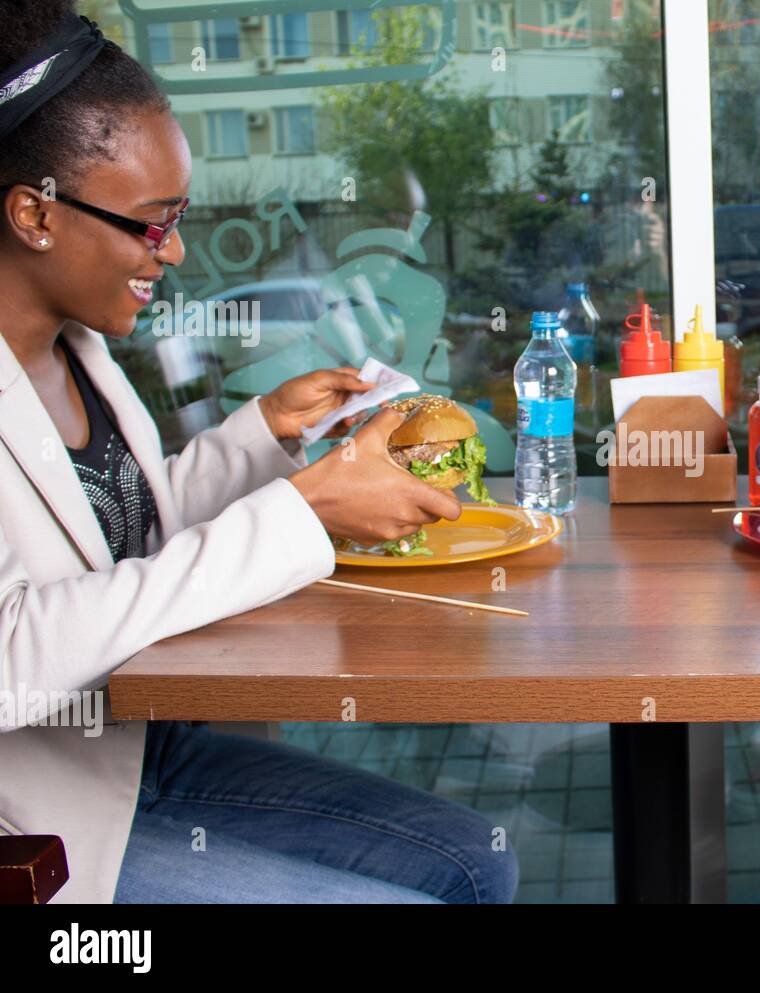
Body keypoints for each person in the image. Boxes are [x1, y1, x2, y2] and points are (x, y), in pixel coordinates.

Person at [0, 3, 517, 904]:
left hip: (139, 750)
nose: (175, 250)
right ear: (34, 214)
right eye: (152, 224)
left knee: (480, 860)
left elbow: (120, 540)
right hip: (44, 825)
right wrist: (304, 514)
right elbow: (13, 656)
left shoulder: (77, 355)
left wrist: (263, 436)